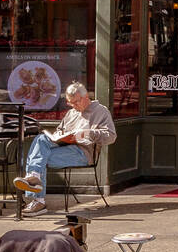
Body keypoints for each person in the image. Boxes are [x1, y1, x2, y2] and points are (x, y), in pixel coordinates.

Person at [13, 82, 116, 215]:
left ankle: (38, 198)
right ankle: (35, 182)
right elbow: (60, 131)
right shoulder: (71, 113)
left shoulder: (101, 111)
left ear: (85, 97)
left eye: (75, 102)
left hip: (83, 153)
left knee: (38, 158)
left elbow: (111, 136)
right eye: (70, 103)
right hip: (64, 148)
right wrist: (58, 136)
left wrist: (88, 133)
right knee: (41, 140)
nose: (73, 106)